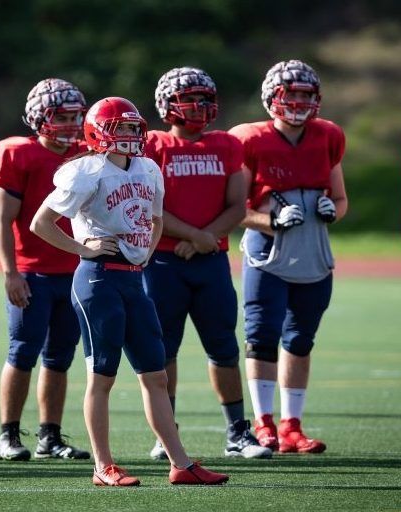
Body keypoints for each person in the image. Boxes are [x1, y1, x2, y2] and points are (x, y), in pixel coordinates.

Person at [31, 96, 228, 486]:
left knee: (155, 376)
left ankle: (181, 464)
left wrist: (145, 252)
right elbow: (42, 223)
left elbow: (154, 221)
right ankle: (103, 466)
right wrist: (82, 248)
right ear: (98, 132)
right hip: (98, 279)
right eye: (119, 127)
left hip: (133, 279)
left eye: (132, 127)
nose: (128, 134)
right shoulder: (85, 171)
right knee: (102, 378)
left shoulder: (148, 168)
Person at [143, 67, 270, 459]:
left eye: (204, 98)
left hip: (209, 260)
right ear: (167, 104)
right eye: (190, 98)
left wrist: (204, 240)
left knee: (223, 348)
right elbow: (149, 203)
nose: (199, 106)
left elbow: (238, 205)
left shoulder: (227, 144)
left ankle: (238, 433)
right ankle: (167, 434)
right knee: (164, 352)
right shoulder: (153, 144)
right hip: (163, 261)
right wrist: (194, 237)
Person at [229, 60, 348, 454]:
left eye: (305, 94)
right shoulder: (249, 139)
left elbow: (342, 199)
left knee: (300, 339)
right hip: (268, 251)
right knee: (261, 336)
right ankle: (263, 425)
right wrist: (271, 219)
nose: (298, 101)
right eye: (290, 93)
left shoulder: (327, 136)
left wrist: (333, 209)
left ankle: (292, 427)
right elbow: (233, 209)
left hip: (313, 251)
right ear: (272, 98)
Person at [0, 78, 90, 461]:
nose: (70, 124)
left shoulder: (85, 154)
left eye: (75, 116)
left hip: (74, 271)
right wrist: (10, 272)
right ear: (39, 118)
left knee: (60, 356)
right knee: (22, 352)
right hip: (32, 272)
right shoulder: (18, 153)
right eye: (61, 116)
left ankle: (50, 436)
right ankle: (8, 436)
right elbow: (1, 219)